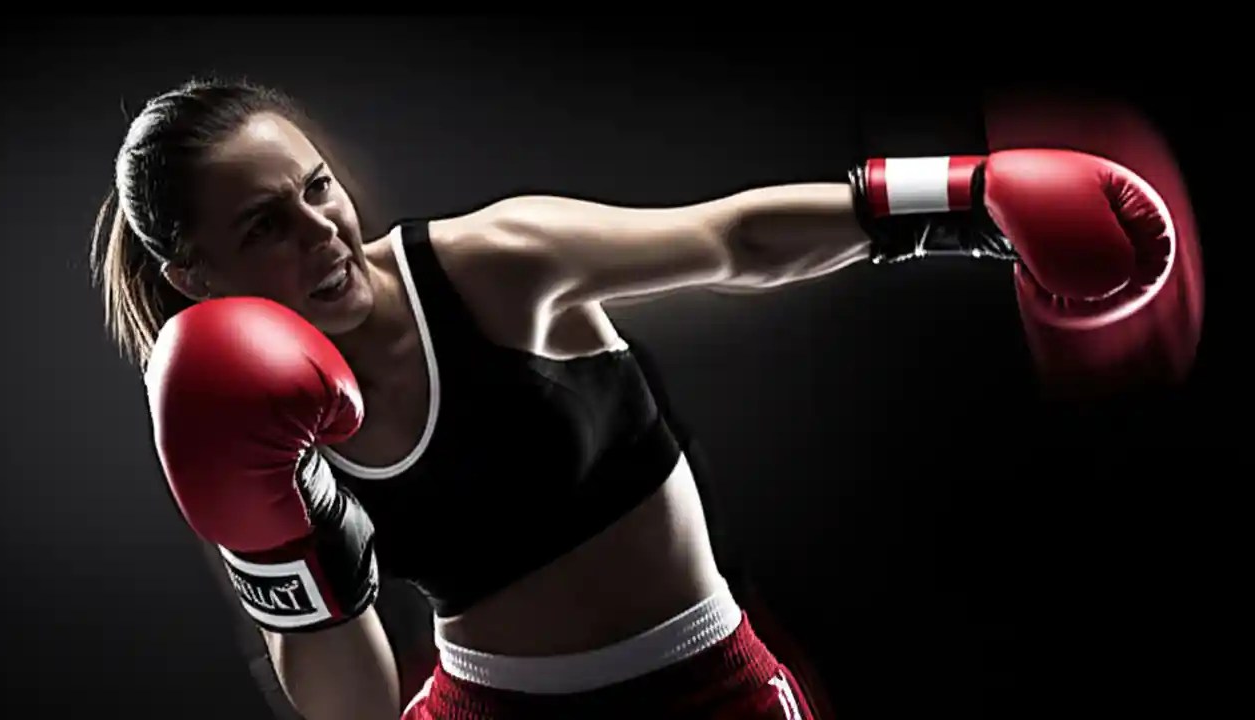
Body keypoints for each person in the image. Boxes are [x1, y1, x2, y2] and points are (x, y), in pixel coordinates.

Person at [90, 77, 1191, 720]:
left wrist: (962, 200)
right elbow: (358, 709)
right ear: (197, 274)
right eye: (264, 227)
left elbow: (728, 240)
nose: (321, 231)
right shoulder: (232, 415)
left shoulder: (486, 264)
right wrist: (281, 553)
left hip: (701, 689)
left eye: (316, 188)